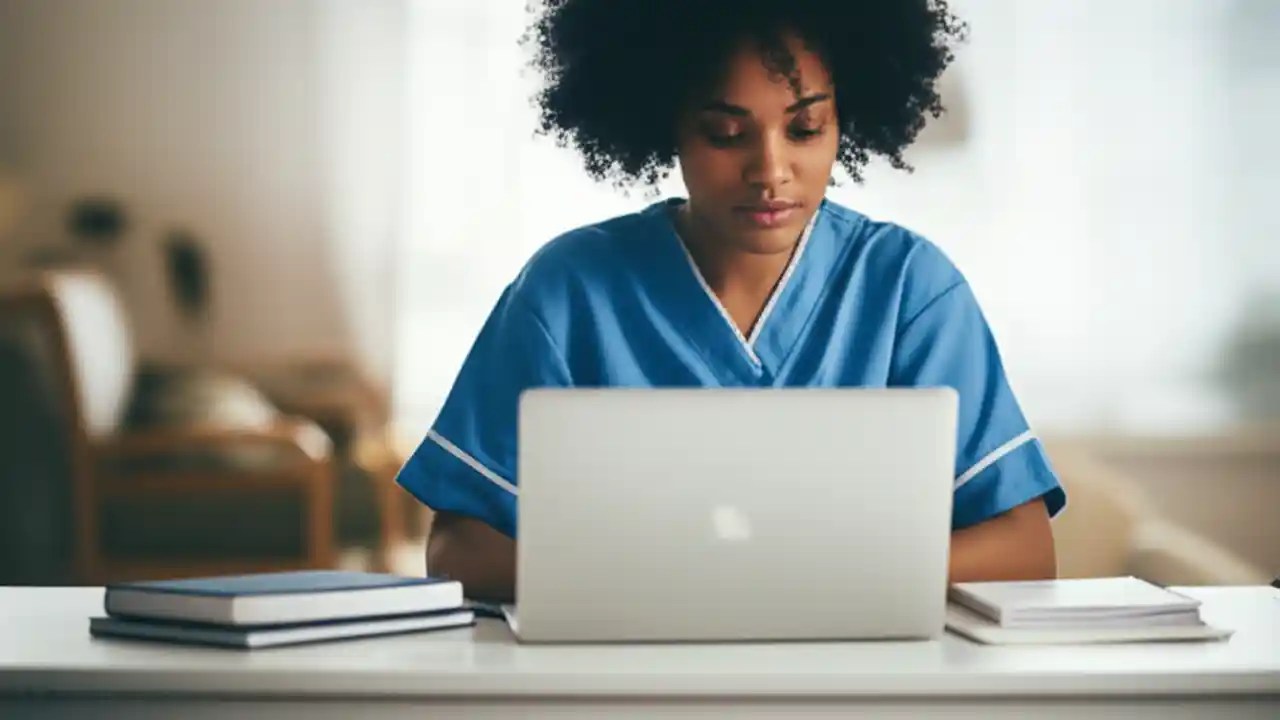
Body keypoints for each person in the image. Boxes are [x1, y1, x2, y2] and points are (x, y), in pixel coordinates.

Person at [397, 0, 1065, 602]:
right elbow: (456, 548)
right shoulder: (568, 292)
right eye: (725, 133)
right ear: (668, 125)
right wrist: (644, 580)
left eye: (805, 128)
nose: (770, 170)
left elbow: (1027, 549)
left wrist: (809, 575)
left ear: (845, 121)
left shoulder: (910, 289)